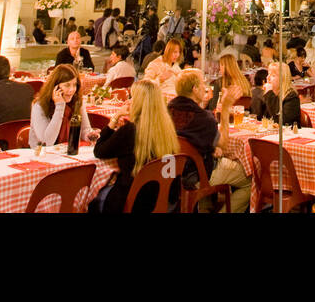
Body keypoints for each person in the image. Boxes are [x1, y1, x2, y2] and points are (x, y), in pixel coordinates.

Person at [91, 78, 180, 213]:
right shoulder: (168, 131)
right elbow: (172, 172)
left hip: (133, 201)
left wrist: (114, 119)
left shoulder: (130, 131)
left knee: (93, 198)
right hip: (163, 198)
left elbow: (99, 151)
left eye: (132, 97)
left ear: (138, 102)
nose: (129, 101)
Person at [169, 68, 251, 212]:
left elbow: (188, 138)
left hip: (171, 172)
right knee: (251, 180)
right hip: (197, 174)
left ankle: (206, 207)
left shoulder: (168, 109)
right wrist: (225, 108)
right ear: (194, 89)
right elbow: (224, 144)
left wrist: (212, 148)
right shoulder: (203, 118)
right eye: (203, 84)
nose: (206, 88)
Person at [30, 64, 95, 147]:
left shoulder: (77, 102)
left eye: (74, 85)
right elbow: (47, 142)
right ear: (55, 87)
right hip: (43, 154)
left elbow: (85, 130)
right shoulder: (39, 106)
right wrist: (60, 106)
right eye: (67, 85)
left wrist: (90, 135)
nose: (72, 90)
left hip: (70, 151)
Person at [210, 51, 250, 116]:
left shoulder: (219, 82)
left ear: (224, 66)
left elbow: (214, 107)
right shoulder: (244, 81)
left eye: (220, 65)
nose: (219, 68)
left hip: (224, 117)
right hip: (242, 116)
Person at [261, 61, 301, 127]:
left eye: (273, 75)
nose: (268, 78)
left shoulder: (291, 97)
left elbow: (281, 122)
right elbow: (259, 117)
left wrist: (269, 94)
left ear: (282, 79)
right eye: (268, 74)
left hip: (287, 134)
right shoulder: (267, 94)